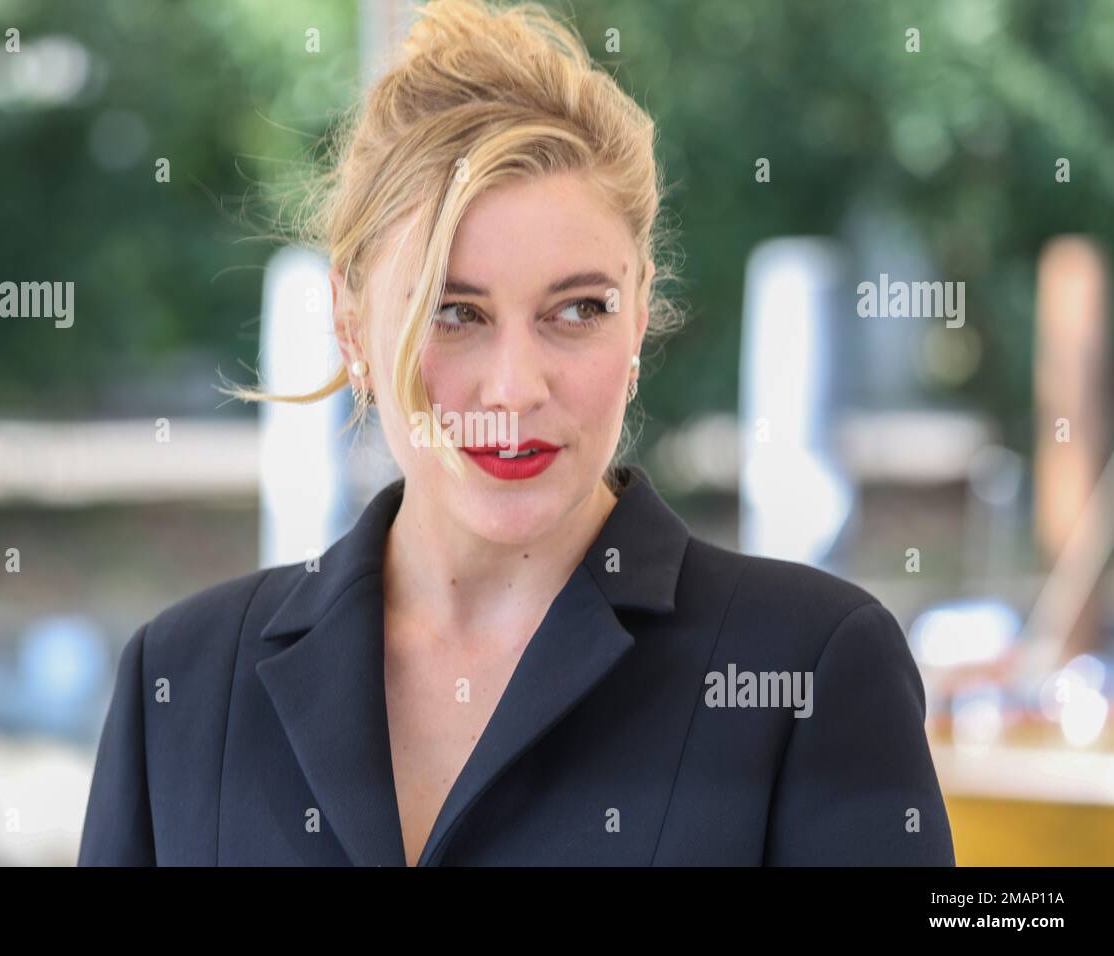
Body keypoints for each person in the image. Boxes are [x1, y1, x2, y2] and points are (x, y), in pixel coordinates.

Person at [79, 0, 955, 866]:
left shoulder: (811, 670)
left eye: (577, 309)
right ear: (350, 328)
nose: (515, 388)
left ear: (641, 310)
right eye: (455, 313)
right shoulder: (182, 681)